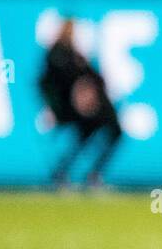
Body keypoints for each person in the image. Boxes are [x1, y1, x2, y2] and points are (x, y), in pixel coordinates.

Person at [38, 19, 123, 189]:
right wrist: (54, 107)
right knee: (89, 137)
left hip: (90, 108)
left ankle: (70, 173)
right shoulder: (57, 55)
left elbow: (94, 77)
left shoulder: (75, 55)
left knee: (87, 137)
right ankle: (79, 174)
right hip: (79, 109)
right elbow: (48, 83)